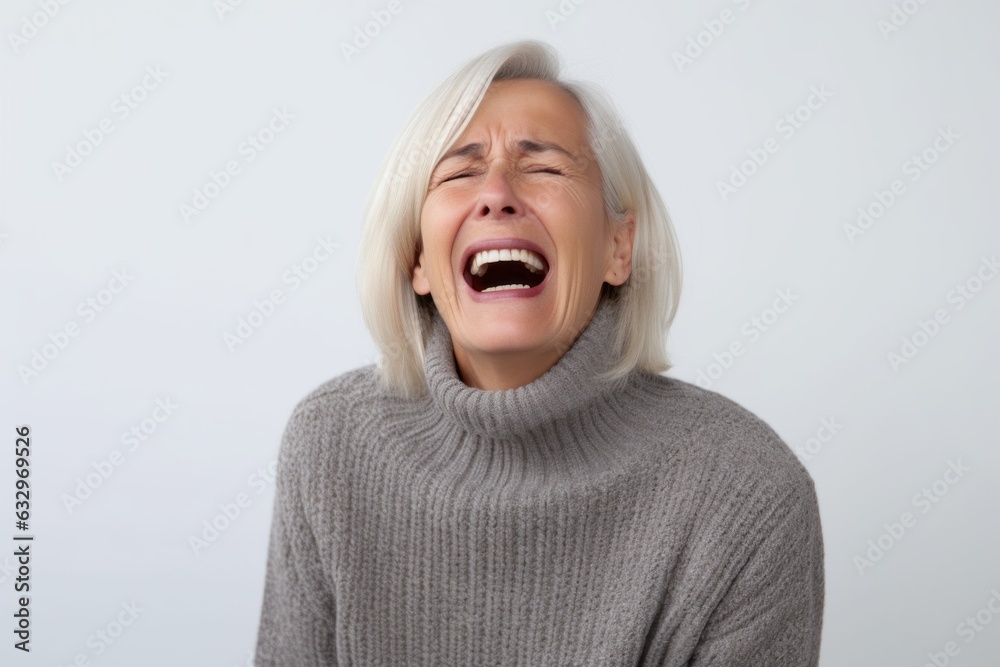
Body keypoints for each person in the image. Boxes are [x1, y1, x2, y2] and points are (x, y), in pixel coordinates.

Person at [254, 39, 824, 666]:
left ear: (618, 247)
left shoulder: (746, 493)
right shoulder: (330, 446)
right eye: (460, 171)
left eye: (544, 166)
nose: (497, 192)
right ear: (416, 258)